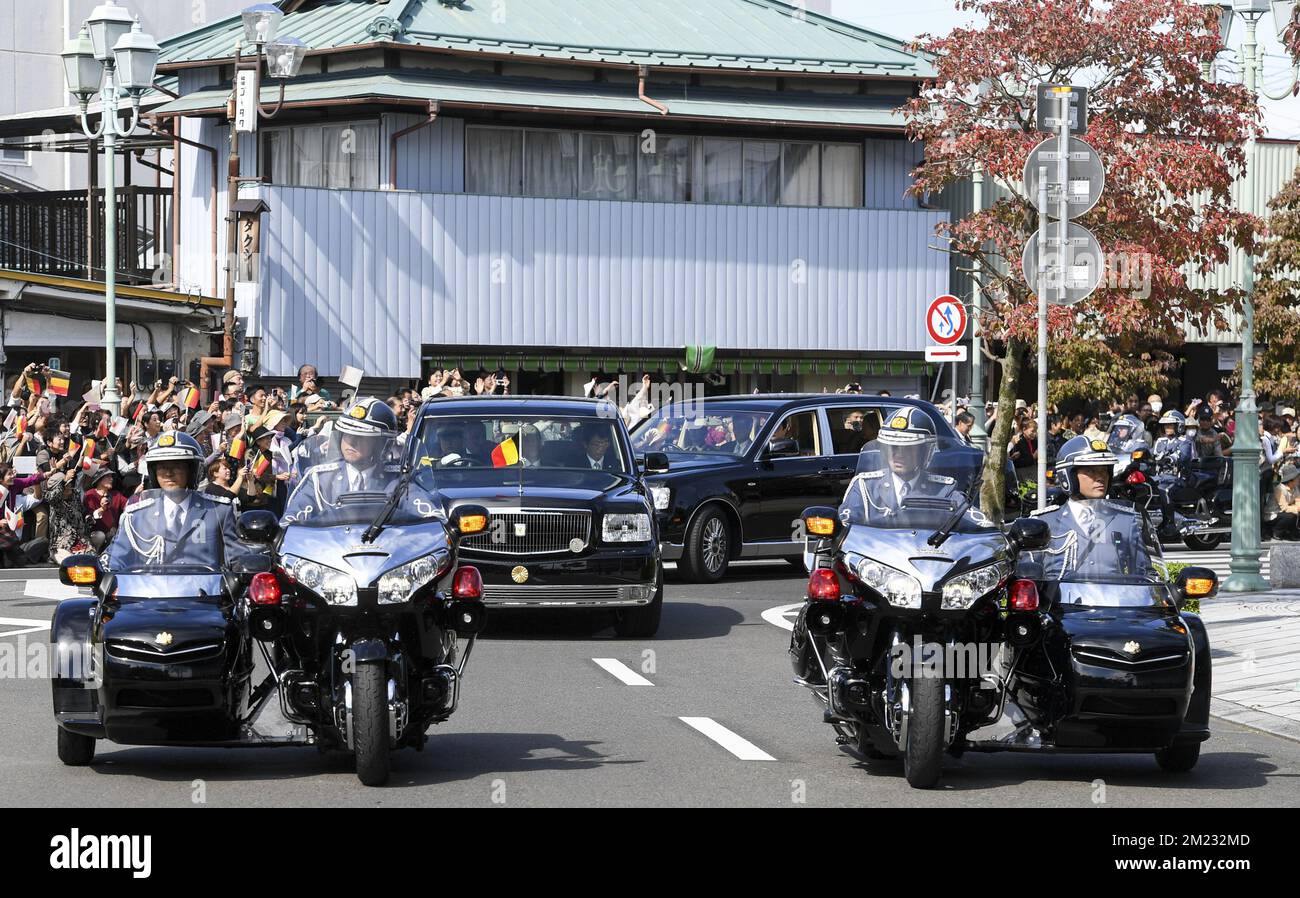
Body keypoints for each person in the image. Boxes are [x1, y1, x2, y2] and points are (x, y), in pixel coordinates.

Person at [103, 432, 244, 571]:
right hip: (150, 592)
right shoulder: (137, 516)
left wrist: (250, 565)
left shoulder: (218, 510)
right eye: (163, 467)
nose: (169, 473)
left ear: (192, 471)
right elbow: (114, 561)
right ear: (154, 472)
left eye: (177, 466)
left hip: (205, 592)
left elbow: (237, 559)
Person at [1028, 436, 1155, 581]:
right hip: (1060, 602)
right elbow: (1029, 581)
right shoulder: (1044, 522)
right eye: (1091, 471)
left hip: (1111, 601)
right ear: (1069, 477)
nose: (1100, 477)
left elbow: (1145, 576)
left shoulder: (1126, 520)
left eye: (1104, 471)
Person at [283, 397, 400, 517]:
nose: (351, 442)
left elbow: (416, 518)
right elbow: (292, 519)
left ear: (382, 444)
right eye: (347, 434)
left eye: (362, 436)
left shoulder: (399, 480)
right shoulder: (319, 479)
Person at [840, 407, 955, 522]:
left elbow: (970, 524)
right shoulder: (865, 487)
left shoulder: (943, 489)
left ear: (925, 452)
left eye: (908, 448)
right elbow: (848, 528)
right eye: (893, 447)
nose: (899, 454)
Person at [1267, 463, 1300, 541]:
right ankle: (1276, 532)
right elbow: (1284, 508)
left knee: (1293, 514)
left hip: (1285, 512)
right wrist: (1297, 509)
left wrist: (1298, 507)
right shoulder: (1279, 489)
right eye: (1297, 478)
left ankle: (1292, 533)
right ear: (1291, 480)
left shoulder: (1295, 488)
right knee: (1290, 516)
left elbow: (1298, 500)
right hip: (1274, 515)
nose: (1299, 479)